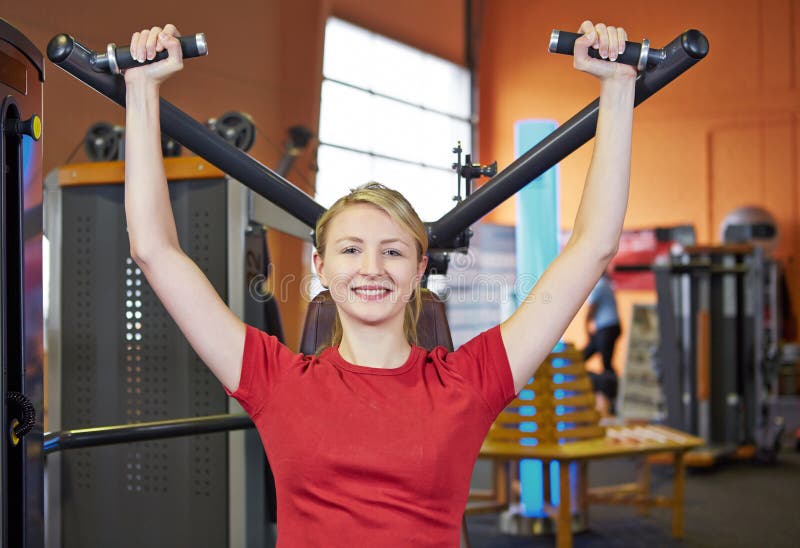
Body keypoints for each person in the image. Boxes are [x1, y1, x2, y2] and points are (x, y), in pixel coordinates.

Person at [123, 20, 635, 547]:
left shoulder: (469, 383)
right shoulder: (275, 381)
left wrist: (617, 89)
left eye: (392, 251)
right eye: (351, 250)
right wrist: (142, 90)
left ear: (417, 272)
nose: (371, 267)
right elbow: (155, 251)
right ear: (321, 267)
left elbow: (592, 246)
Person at [583, 271, 622, 415]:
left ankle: (611, 400)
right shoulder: (606, 284)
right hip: (609, 328)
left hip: (607, 328)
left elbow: (589, 313)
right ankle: (610, 396)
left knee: (606, 365)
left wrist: (587, 331)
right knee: (586, 359)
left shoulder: (599, 286)